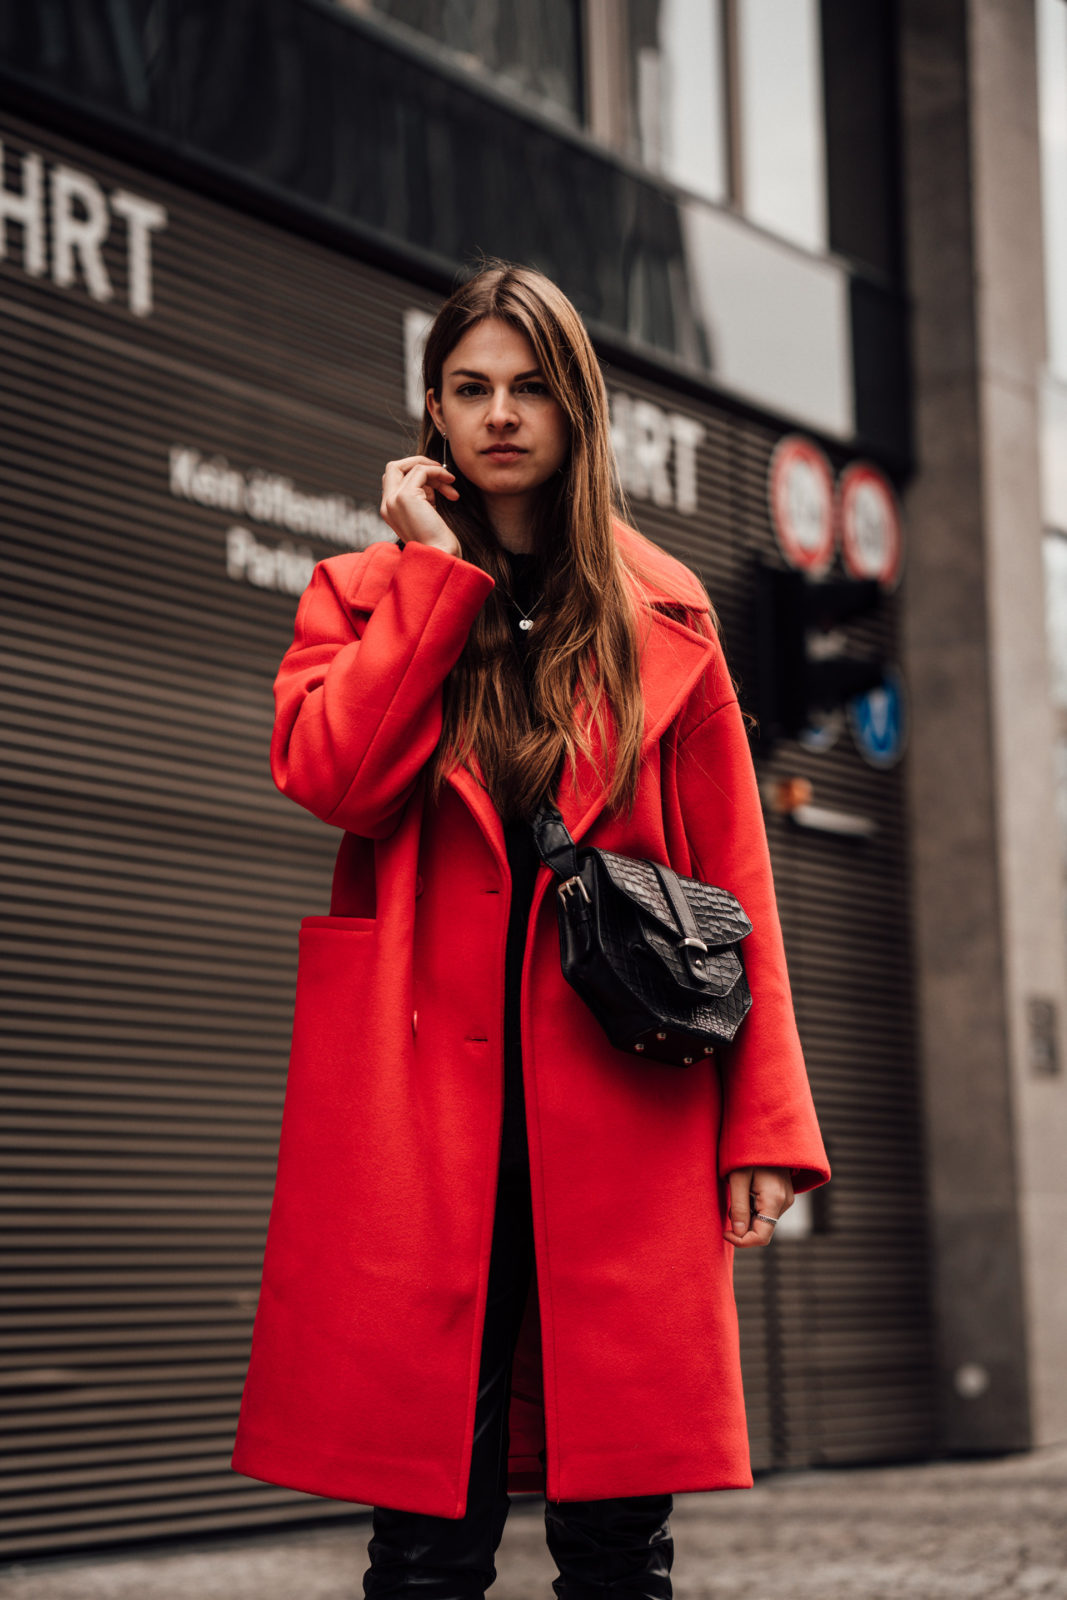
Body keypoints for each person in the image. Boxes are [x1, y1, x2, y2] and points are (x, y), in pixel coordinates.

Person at [230, 262, 830, 1598]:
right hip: (420, 1114)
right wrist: (432, 586)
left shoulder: (664, 610)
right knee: (426, 1541)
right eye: (468, 388)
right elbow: (334, 776)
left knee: (619, 1539)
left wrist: (769, 1125)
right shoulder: (362, 594)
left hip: (621, 1105)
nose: (500, 415)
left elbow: (734, 880)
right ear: (431, 413)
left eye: (529, 387)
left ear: (578, 408)